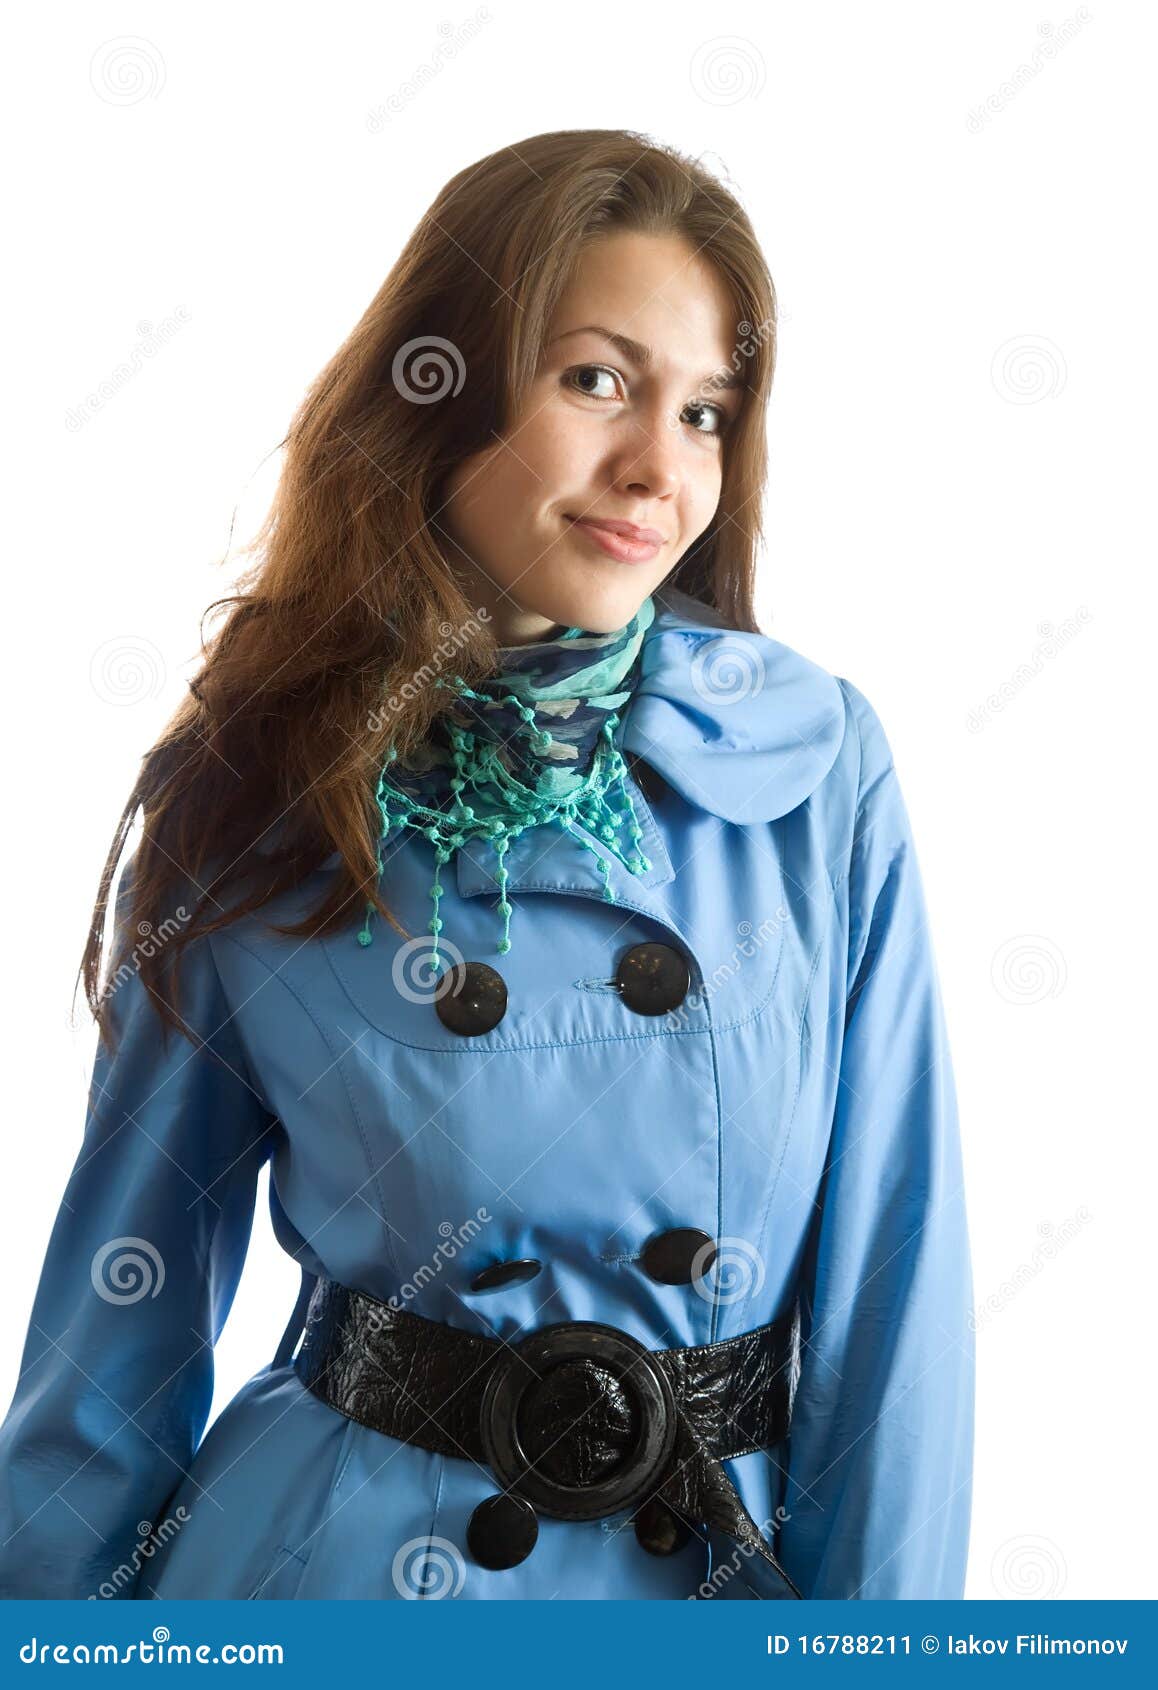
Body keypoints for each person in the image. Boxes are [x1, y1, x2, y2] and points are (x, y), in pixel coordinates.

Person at [0, 128, 974, 1601]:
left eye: (706, 412)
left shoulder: (810, 767)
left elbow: (899, 1286)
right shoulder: (260, 788)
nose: (658, 468)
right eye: (596, 381)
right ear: (438, 390)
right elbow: (117, 1319)